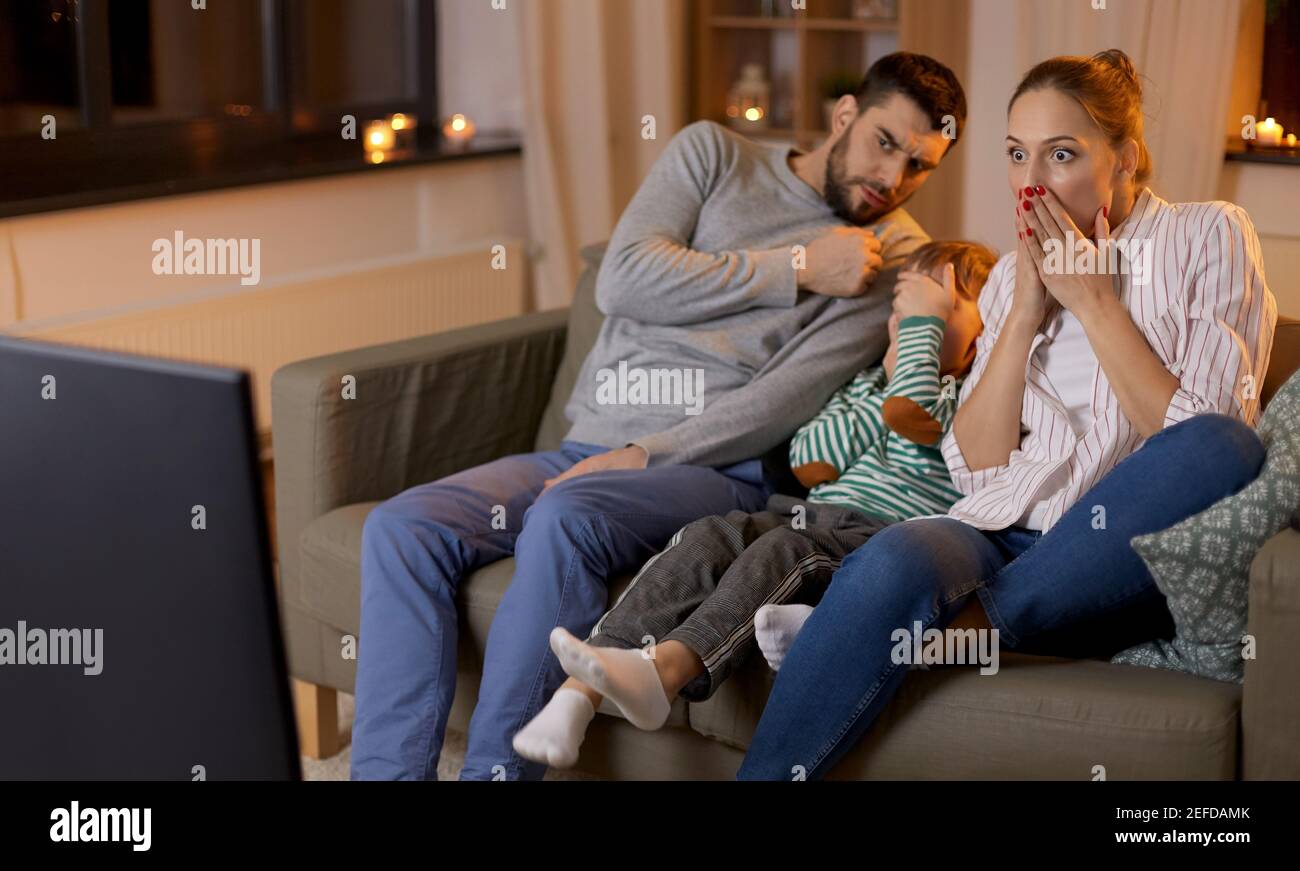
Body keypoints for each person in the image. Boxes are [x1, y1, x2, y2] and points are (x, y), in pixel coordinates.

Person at [350, 52, 968, 780]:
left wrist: (646, 452)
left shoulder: (895, 256)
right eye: (884, 143)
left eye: (920, 165)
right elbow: (624, 279)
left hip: (714, 468)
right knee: (401, 528)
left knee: (568, 515)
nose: (892, 180)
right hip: (587, 445)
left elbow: (780, 403)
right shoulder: (712, 154)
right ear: (842, 117)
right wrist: (795, 266)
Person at [739, 49, 1277, 781]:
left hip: (1112, 555)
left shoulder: (1207, 234)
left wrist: (1092, 301)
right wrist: (1025, 309)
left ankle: (955, 630)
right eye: (1017, 155)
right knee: (897, 554)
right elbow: (977, 465)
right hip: (1001, 530)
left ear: (1125, 158)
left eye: (1061, 155)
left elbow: (1199, 436)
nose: (1031, 183)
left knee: (1223, 445)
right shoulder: (1007, 279)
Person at [511, 240, 996, 769]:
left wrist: (917, 348)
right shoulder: (869, 386)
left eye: (942, 309)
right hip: (808, 510)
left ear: (986, 328)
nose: (916, 323)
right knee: (710, 534)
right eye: (906, 311)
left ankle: (667, 671)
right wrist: (883, 382)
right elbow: (814, 459)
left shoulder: (976, 401)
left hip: (880, 542)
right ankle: (579, 695)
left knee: (785, 550)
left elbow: (916, 410)